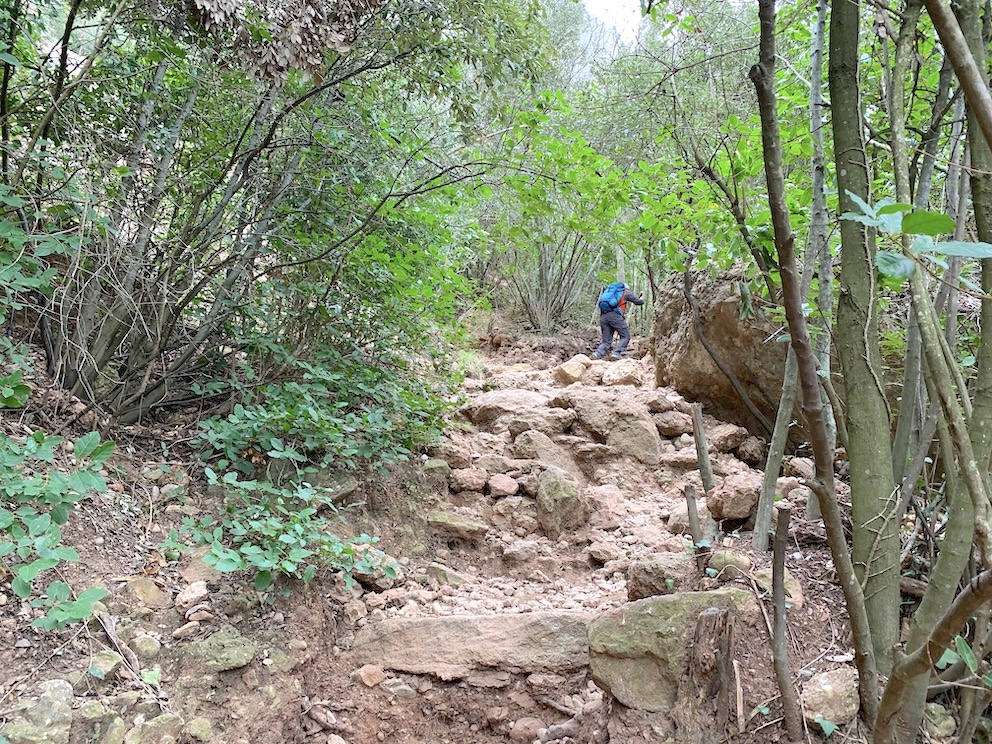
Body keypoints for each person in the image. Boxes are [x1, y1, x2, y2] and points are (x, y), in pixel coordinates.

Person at [594, 283, 645, 360]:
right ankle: (616, 353)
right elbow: (638, 302)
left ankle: (597, 354)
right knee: (625, 336)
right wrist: (641, 299)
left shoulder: (608, 293)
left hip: (603, 317)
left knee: (606, 341)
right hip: (615, 316)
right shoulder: (625, 292)